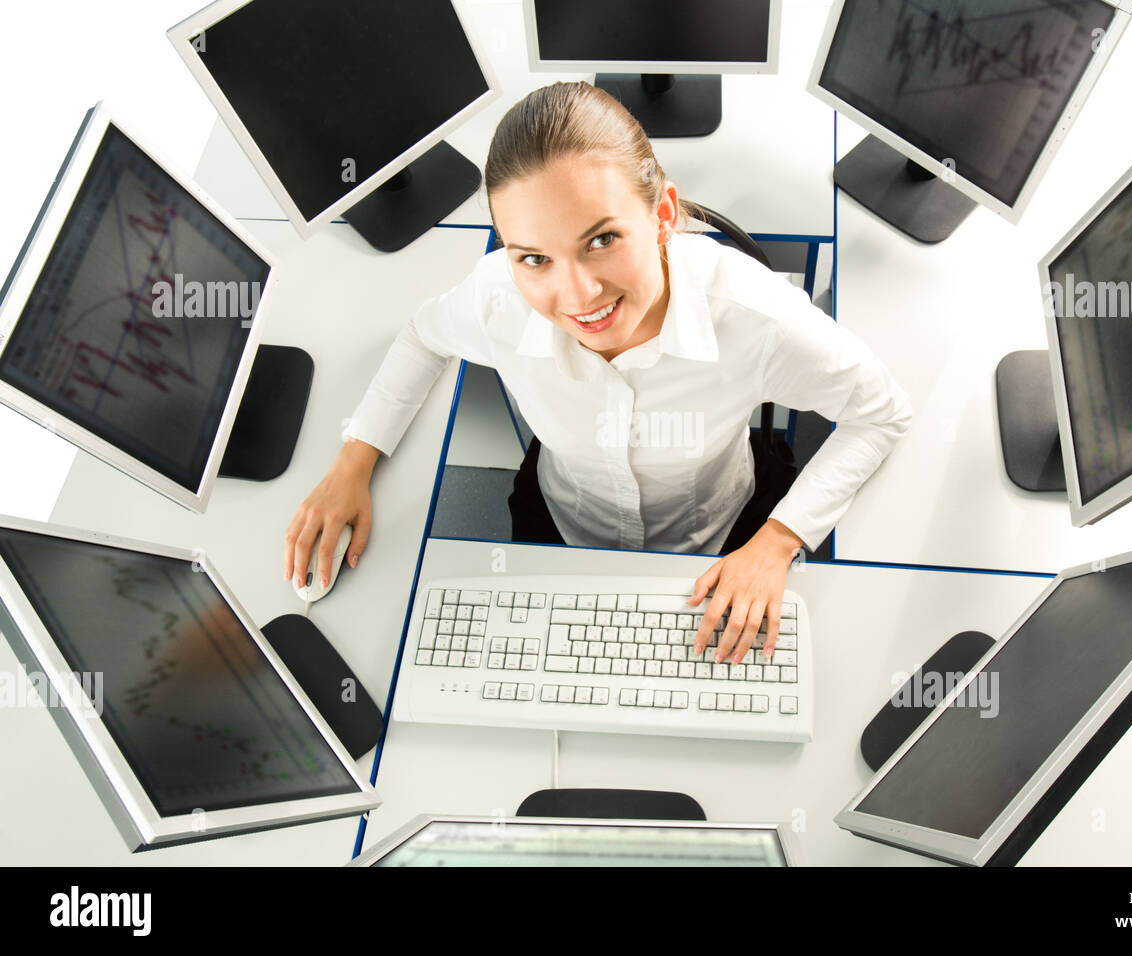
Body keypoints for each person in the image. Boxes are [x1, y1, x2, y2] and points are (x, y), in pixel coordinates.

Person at [285, 81, 911, 668]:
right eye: (534, 257)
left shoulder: (753, 318)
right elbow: (424, 335)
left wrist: (778, 541)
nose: (577, 295)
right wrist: (353, 464)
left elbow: (882, 413)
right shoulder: (497, 298)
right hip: (561, 520)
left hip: (723, 533)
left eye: (602, 239)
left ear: (663, 213)